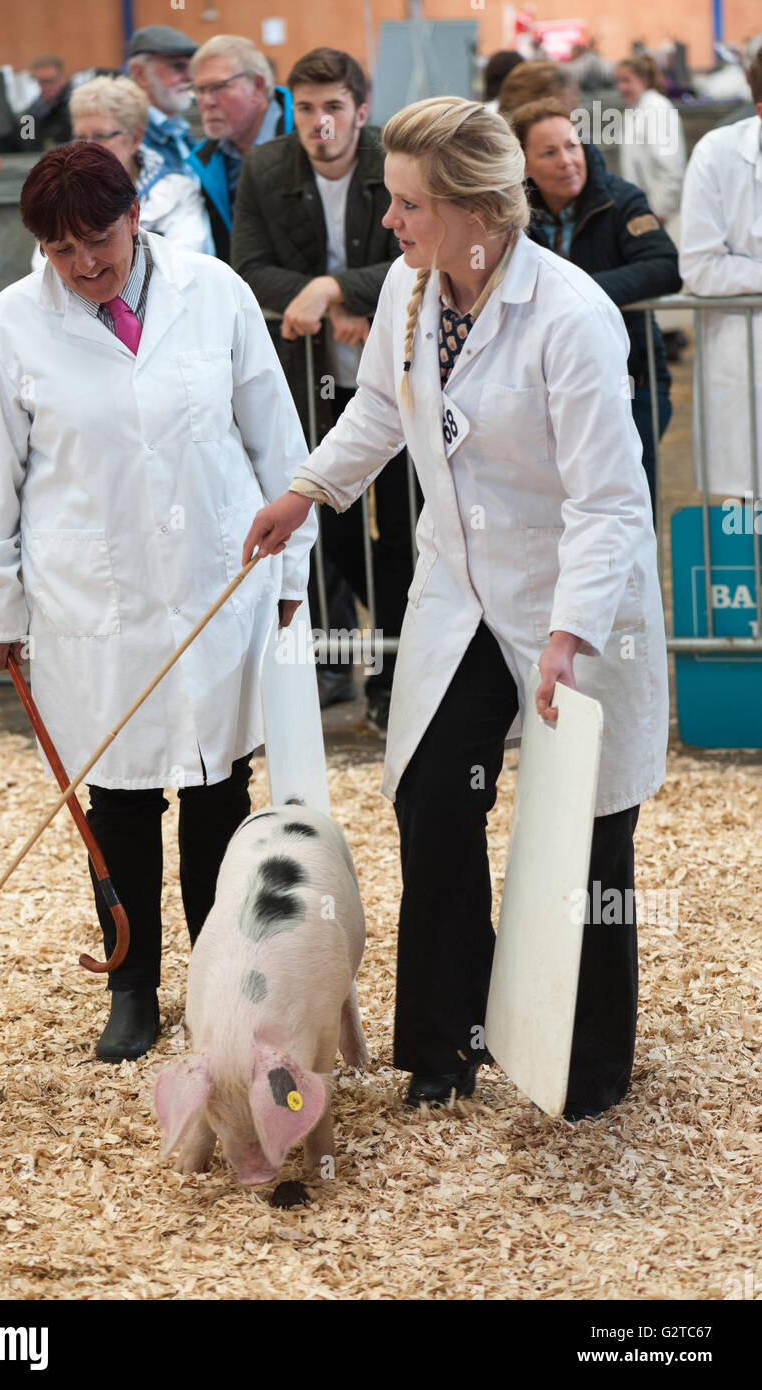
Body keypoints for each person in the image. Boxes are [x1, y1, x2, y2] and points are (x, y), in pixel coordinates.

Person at [243, 97, 668, 1121]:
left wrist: (567, 629)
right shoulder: (409, 286)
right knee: (434, 795)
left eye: (408, 203)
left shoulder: (569, 316)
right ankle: (445, 1043)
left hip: (574, 592)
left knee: (585, 826)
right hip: (461, 592)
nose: (387, 223)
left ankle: (586, 1063)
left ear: (478, 209)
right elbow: (385, 413)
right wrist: (306, 488)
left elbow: (609, 501)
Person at [0, 144, 316, 1063]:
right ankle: (132, 985)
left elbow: (275, 436)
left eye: (97, 241)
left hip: (215, 579)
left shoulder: (216, 291)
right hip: (89, 599)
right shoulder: (11, 325)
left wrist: (293, 569)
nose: (83, 266)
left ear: (134, 217)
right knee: (114, 797)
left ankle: (220, 979)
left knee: (218, 788)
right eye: (59, 250)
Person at [232, 46, 410, 730]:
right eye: (305, 108)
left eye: (333, 107)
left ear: (360, 112)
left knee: (397, 527)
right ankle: (375, 651)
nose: (319, 122)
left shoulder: (389, 160)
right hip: (310, 373)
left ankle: (394, 677)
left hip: (390, 375)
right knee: (329, 530)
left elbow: (413, 253)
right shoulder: (267, 166)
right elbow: (247, 266)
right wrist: (322, 300)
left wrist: (334, 287)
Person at [512, 97, 681, 521]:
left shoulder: (620, 199)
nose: (568, 161)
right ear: (524, 163)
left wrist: (577, 293)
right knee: (562, 510)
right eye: (549, 153)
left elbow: (664, 267)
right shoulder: (511, 214)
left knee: (629, 509)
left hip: (630, 382)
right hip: (543, 387)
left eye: (572, 146)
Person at [679, 48, 762, 497]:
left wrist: (747, 270)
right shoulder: (718, 154)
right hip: (746, 373)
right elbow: (700, 269)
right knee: (747, 536)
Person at [69, 76, 213, 256]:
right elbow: (46, 268)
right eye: (81, 137)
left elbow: (184, 263)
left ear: (135, 138)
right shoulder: (63, 192)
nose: (88, 147)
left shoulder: (178, 191)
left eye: (101, 136)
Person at [187, 34, 295, 262]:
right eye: (199, 89)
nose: (207, 101)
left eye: (219, 87)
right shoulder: (203, 161)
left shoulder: (307, 139)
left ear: (257, 86)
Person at [615, 55, 686, 226]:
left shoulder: (657, 108)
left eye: (627, 80)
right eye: (618, 81)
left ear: (644, 79)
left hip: (660, 213)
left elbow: (671, 165)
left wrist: (660, 211)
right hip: (643, 210)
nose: (621, 87)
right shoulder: (635, 110)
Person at [126, 25, 199, 175]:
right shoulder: (129, 138)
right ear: (140, 74)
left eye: (191, 68)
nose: (190, 77)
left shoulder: (179, 130)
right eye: (178, 67)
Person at [19, 55, 72, 150]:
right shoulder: (30, 114)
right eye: (42, 82)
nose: (47, 87)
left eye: (51, 81)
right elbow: (26, 146)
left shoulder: (72, 108)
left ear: (61, 78)